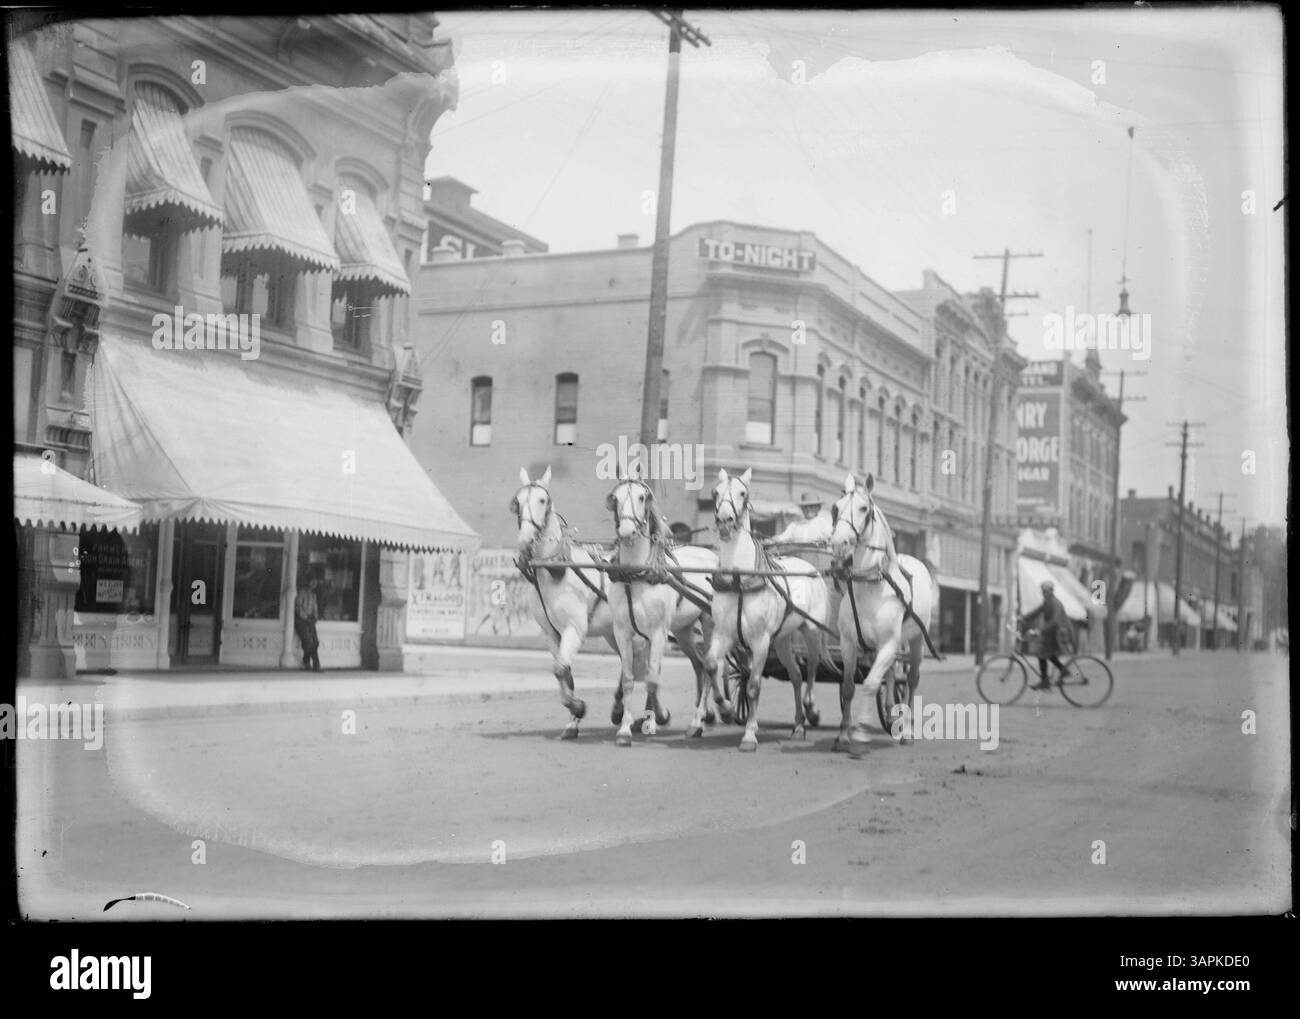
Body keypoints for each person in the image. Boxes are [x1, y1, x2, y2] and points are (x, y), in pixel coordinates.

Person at [1020, 579, 1070, 690]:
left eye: (1045, 591)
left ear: (1051, 591)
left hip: (1059, 634)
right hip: (1051, 633)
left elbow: (1055, 621)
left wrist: (1040, 630)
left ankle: (1046, 681)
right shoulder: (1047, 602)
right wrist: (1023, 618)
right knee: (1045, 654)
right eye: (1042, 591)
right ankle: (1061, 672)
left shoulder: (1055, 603)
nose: (1043, 593)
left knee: (1042, 653)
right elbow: (1037, 611)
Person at [294, 575, 321, 672]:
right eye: (312, 582)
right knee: (309, 642)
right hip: (301, 620)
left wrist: (315, 617)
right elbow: (297, 607)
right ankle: (313, 664)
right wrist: (305, 616)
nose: (314, 584)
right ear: (308, 582)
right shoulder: (302, 592)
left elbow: (315, 608)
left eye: (316, 583)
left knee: (316, 642)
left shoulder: (314, 595)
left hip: (310, 620)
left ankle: (312, 663)